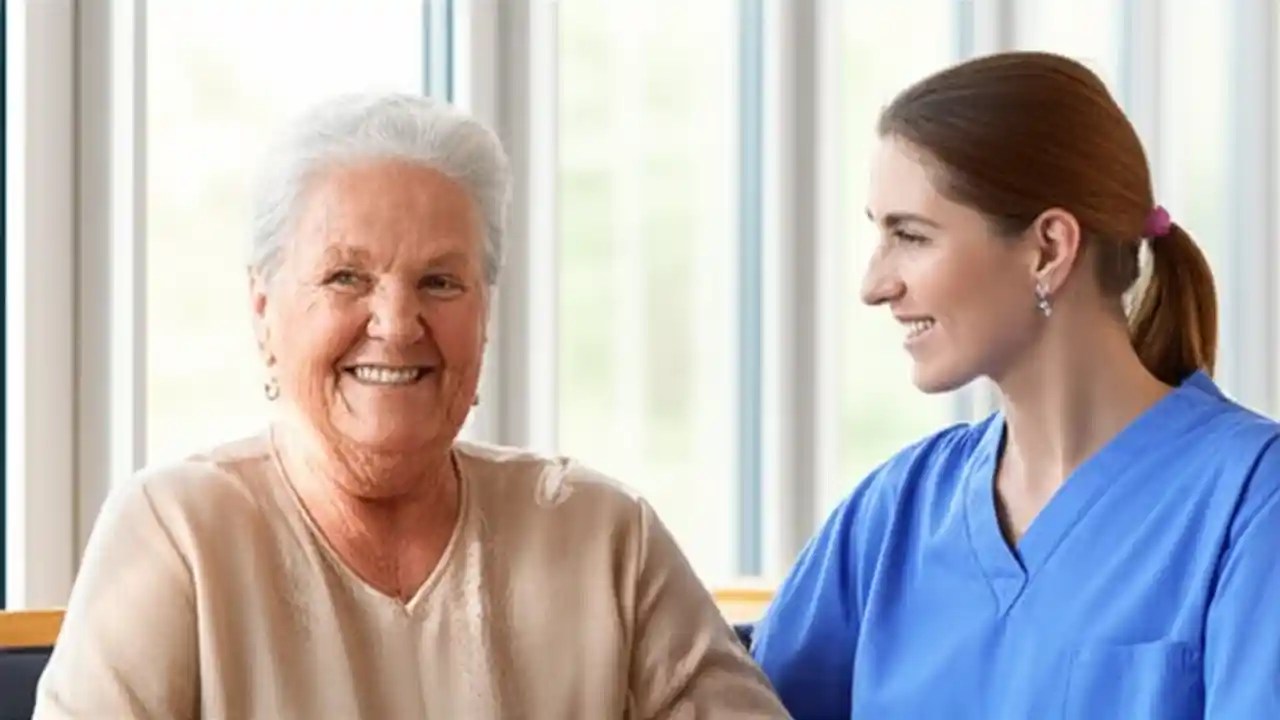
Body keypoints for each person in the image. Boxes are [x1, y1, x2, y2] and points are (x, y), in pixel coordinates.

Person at [35, 94, 788, 719]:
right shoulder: (175, 536)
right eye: (345, 278)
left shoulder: (602, 536)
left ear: (485, 314)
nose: (396, 325)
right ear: (264, 312)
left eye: (440, 282)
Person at [750, 51, 1280, 719]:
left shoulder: (1253, 504)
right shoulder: (895, 512)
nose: (874, 284)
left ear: (1049, 249)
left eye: (910, 236)